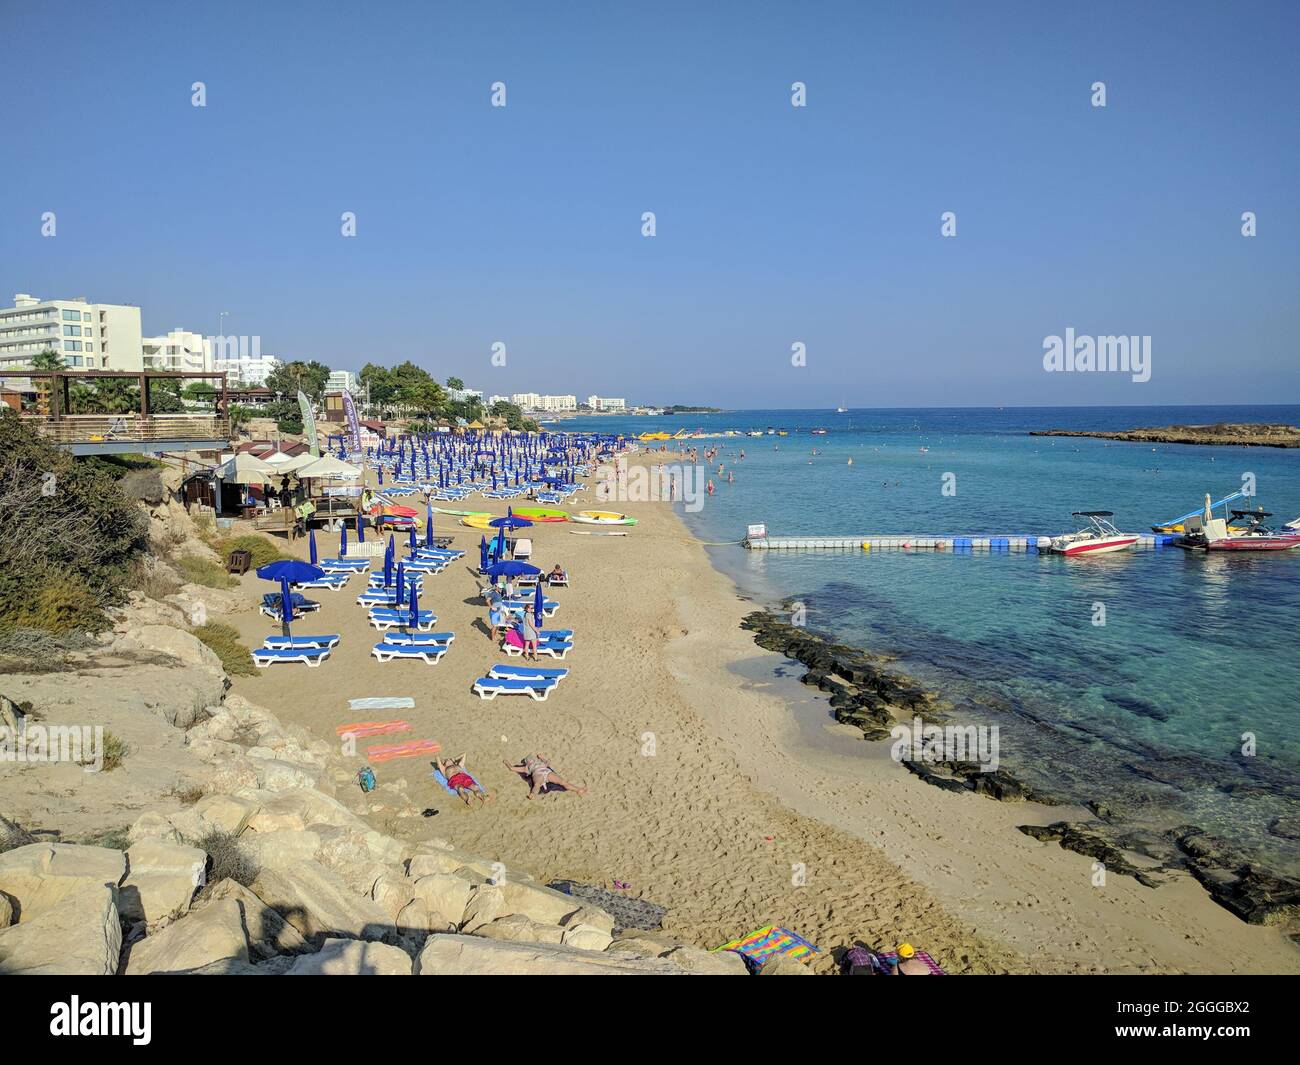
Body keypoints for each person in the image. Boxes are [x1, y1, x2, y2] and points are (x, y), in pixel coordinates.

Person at [503, 754, 586, 799]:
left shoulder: (540, 763)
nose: (532, 760)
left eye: (533, 758)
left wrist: (542, 757)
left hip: (547, 772)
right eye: (530, 759)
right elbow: (512, 768)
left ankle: (578, 790)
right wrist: (506, 762)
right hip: (538, 774)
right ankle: (532, 794)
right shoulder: (526, 768)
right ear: (527, 762)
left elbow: (548, 761)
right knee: (537, 784)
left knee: (562, 781)